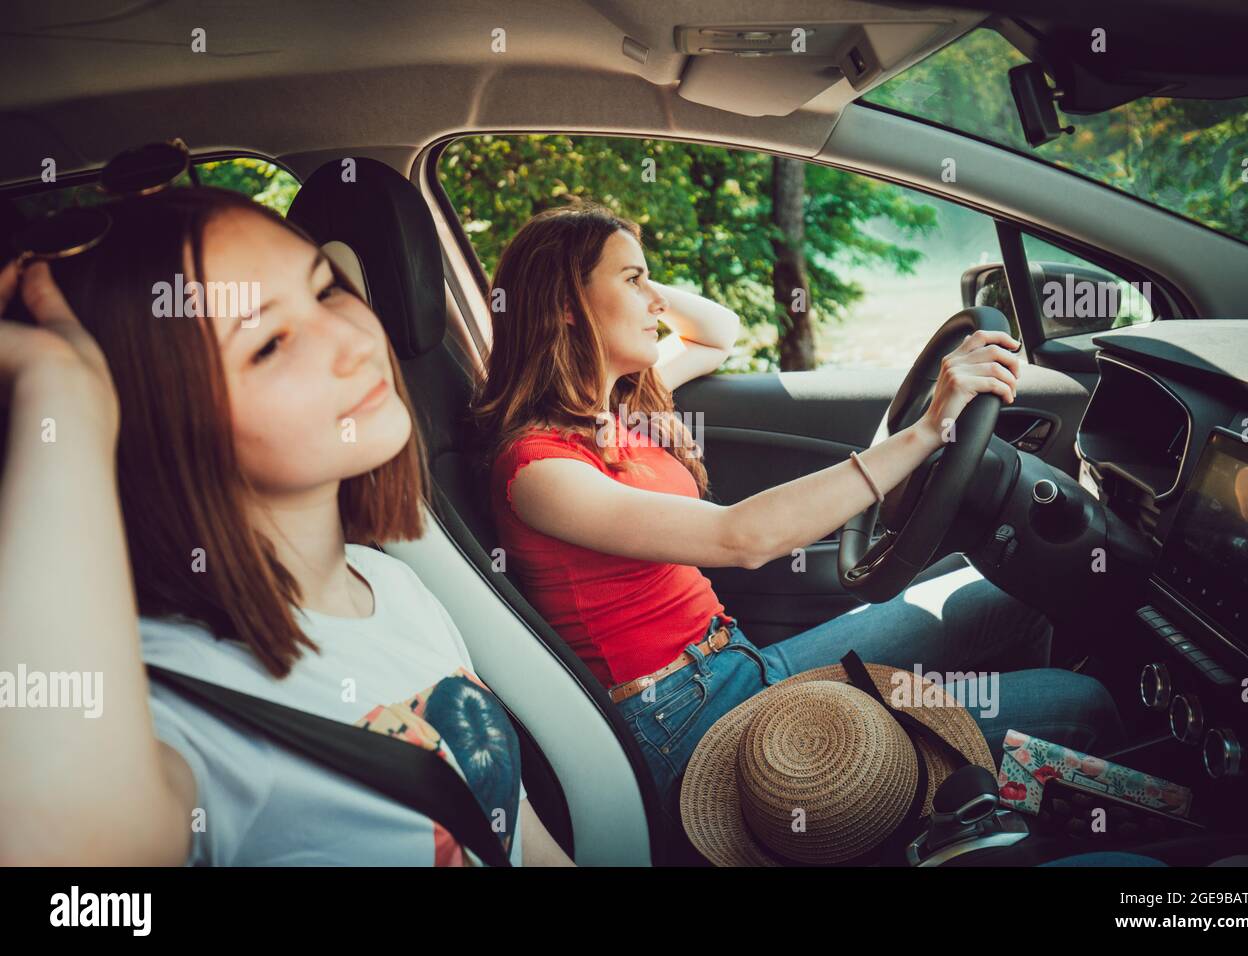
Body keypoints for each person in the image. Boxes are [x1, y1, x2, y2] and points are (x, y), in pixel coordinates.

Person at [472, 201, 1124, 809]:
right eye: (634, 281)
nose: (654, 301)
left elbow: (715, 334)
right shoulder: (540, 470)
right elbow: (741, 538)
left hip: (739, 663)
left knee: (1011, 593)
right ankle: (994, 784)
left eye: (651, 283)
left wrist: (626, 275)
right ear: (563, 302)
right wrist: (925, 432)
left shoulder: (608, 412)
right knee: (1085, 703)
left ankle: (985, 787)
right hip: (687, 723)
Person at [0, 180, 572, 865]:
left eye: (326, 288)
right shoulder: (171, 710)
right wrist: (61, 386)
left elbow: (514, 835)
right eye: (269, 342)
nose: (355, 339)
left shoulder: (393, 587)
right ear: (161, 425)